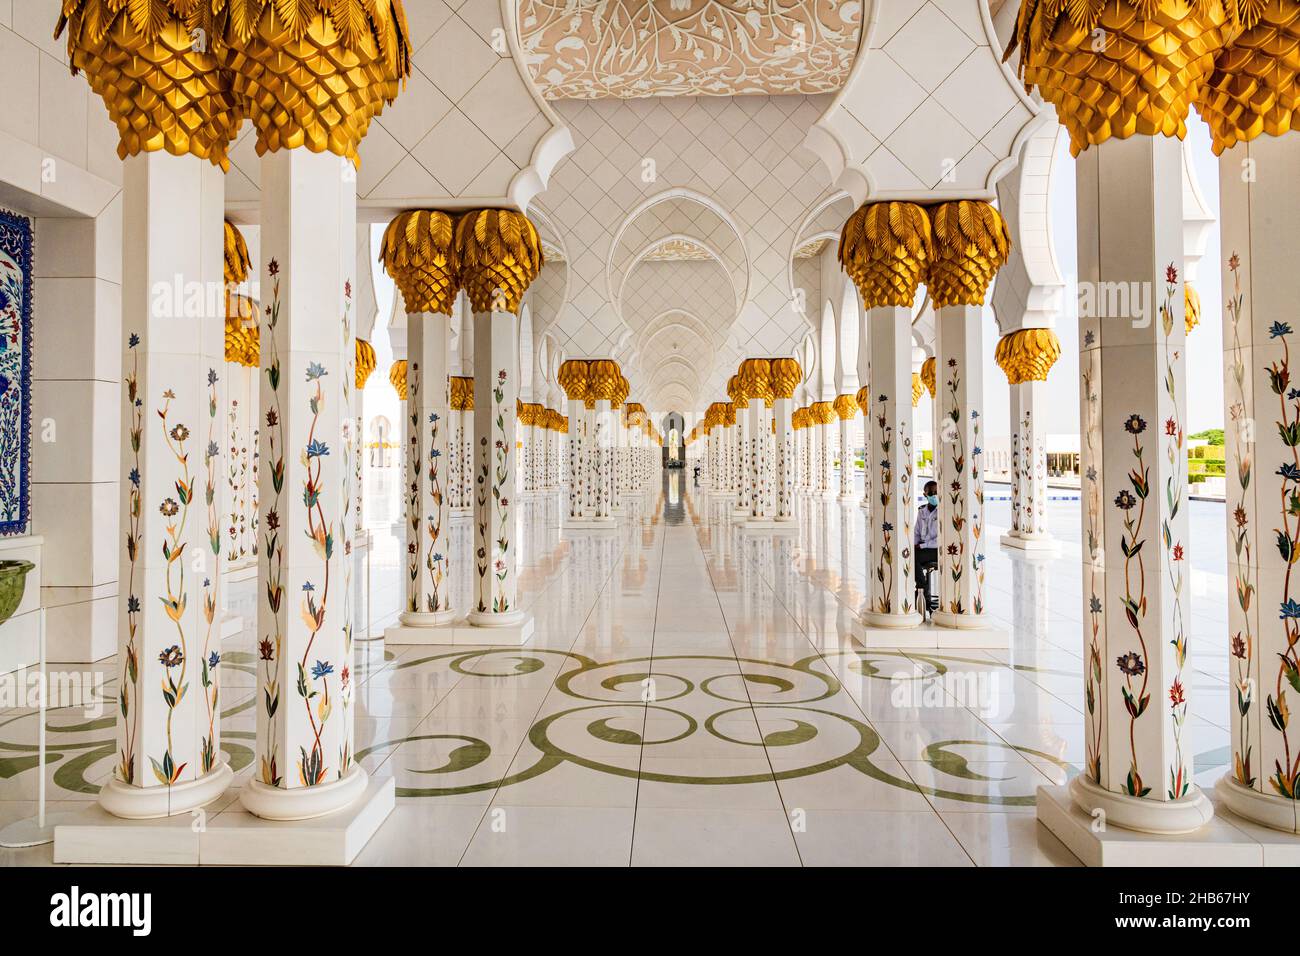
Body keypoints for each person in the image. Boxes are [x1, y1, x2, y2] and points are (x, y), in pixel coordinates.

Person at [914, 480, 939, 613]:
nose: (934, 495)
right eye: (931, 493)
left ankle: (921, 591)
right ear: (925, 494)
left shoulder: (943, 511)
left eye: (936, 492)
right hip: (923, 548)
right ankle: (923, 591)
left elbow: (940, 539)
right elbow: (916, 532)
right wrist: (913, 544)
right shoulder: (922, 512)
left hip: (936, 550)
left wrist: (922, 546)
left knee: (914, 557)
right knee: (908, 555)